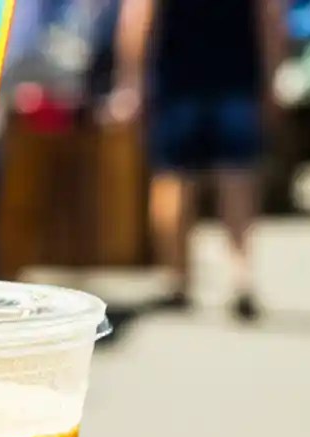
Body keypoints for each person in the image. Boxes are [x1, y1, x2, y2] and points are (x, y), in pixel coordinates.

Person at [112, 0, 285, 320]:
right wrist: (273, 76)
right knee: (237, 177)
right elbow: (269, 16)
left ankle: (177, 280)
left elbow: (138, 14)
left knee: (174, 178)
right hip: (236, 74)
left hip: (177, 77)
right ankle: (240, 276)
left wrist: (130, 81)